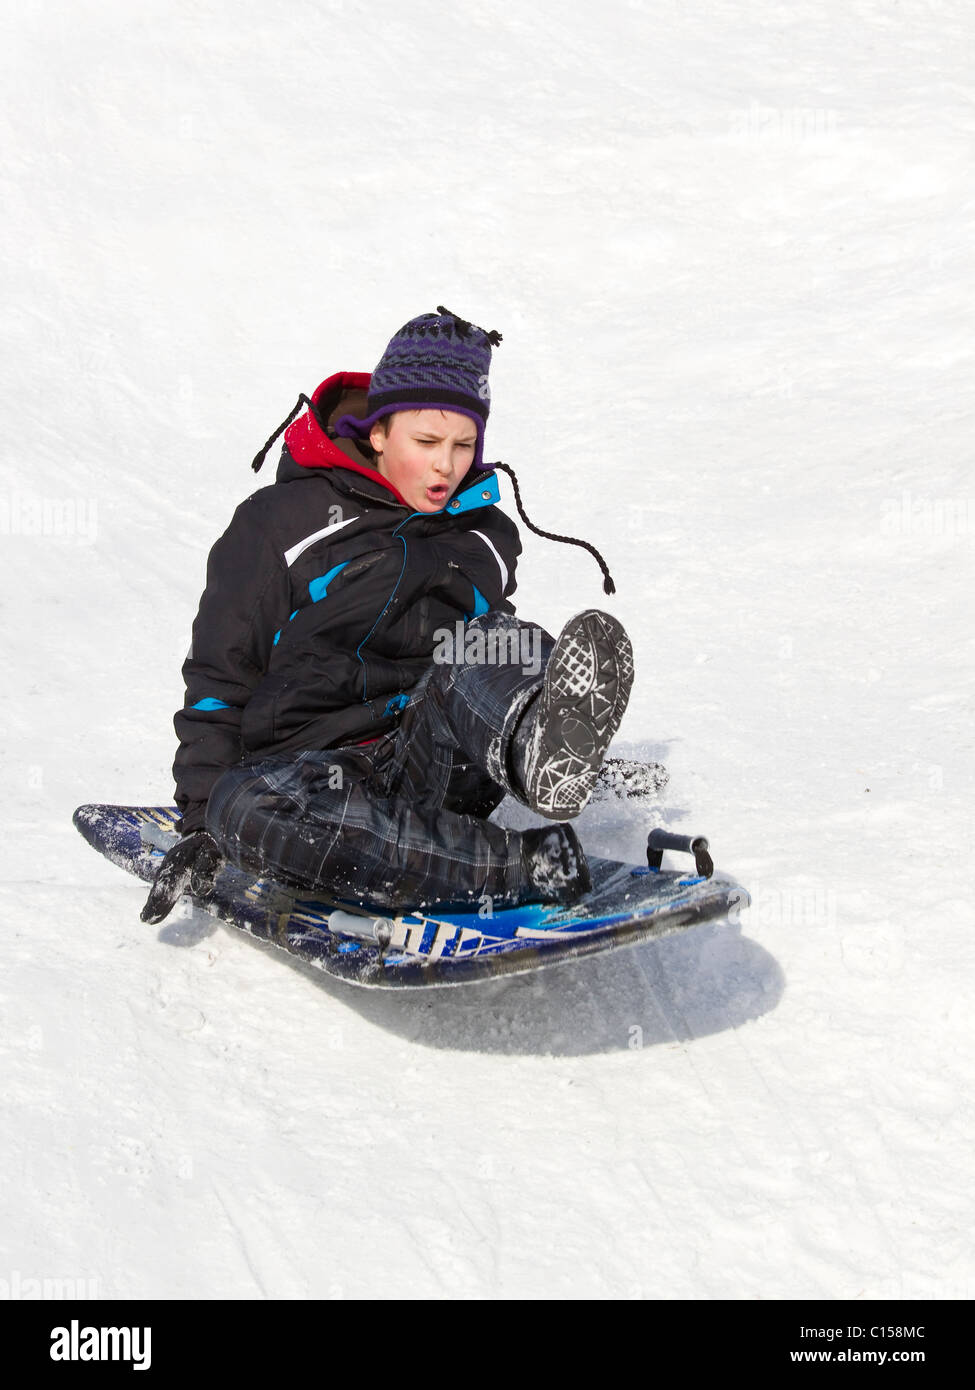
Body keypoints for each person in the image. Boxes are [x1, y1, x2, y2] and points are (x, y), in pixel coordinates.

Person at [142, 308, 633, 924]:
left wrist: (530, 693)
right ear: (378, 431)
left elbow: (479, 674)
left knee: (492, 642)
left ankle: (539, 742)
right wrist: (201, 820)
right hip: (308, 780)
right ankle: (530, 865)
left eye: (463, 445)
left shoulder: (484, 534)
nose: (445, 467)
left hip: (430, 765)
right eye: (425, 443)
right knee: (239, 804)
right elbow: (219, 681)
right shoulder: (280, 525)